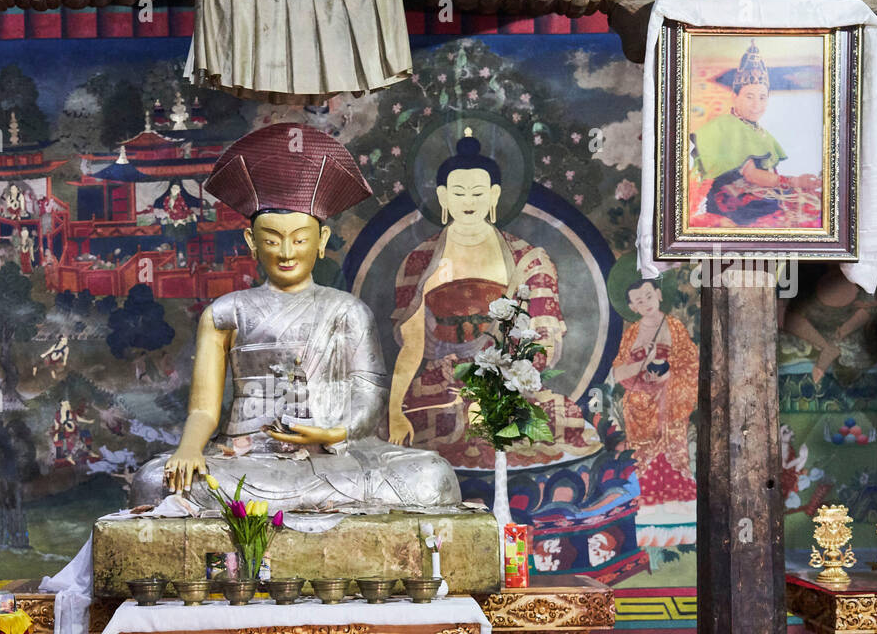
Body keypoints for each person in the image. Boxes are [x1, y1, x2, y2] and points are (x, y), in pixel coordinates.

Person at [131, 123, 460, 511]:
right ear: (252, 243)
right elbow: (204, 408)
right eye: (271, 239)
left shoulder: (347, 310)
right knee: (156, 481)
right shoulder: (226, 312)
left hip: (336, 457)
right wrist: (188, 450)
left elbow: (368, 395)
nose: (286, 252)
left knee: (432, 476)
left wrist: (334, 432)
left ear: (320, 242)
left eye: (300, 239)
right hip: (250, 456)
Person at [390, 128, 601, 469]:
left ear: (494, 195)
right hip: (441, 387)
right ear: (443, 197)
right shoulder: (420, 261)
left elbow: (545, 340)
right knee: (418, 424)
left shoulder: (528, 259)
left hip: (507, 388)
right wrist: (396, 410)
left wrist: (505, 380)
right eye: (459, 192)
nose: (469, 202)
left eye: (477, 192)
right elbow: (412, 346)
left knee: (564, 416)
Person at [690, 39, 819, 225]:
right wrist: (796, 181)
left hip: (758, 193)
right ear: (735, 97)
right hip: (734, 200)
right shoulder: (728, 126)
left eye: (762, 97)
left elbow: (766, 172)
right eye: (749, 97)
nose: (756, 105)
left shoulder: (756, 130)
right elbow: (752, 175)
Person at [610, 280, 698, 511]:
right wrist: (643, 365)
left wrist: (667, 375)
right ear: (632, 307)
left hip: (670, 395)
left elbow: (691, 363)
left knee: (671, 427)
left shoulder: (675, 326)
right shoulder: (632, 334)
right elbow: (618, 370)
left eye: (648, 296)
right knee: (634, 409)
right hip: (640, 398)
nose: (646, 303)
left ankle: (677, 499)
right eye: (639, 301)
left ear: (658, 295)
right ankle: (645, 496)